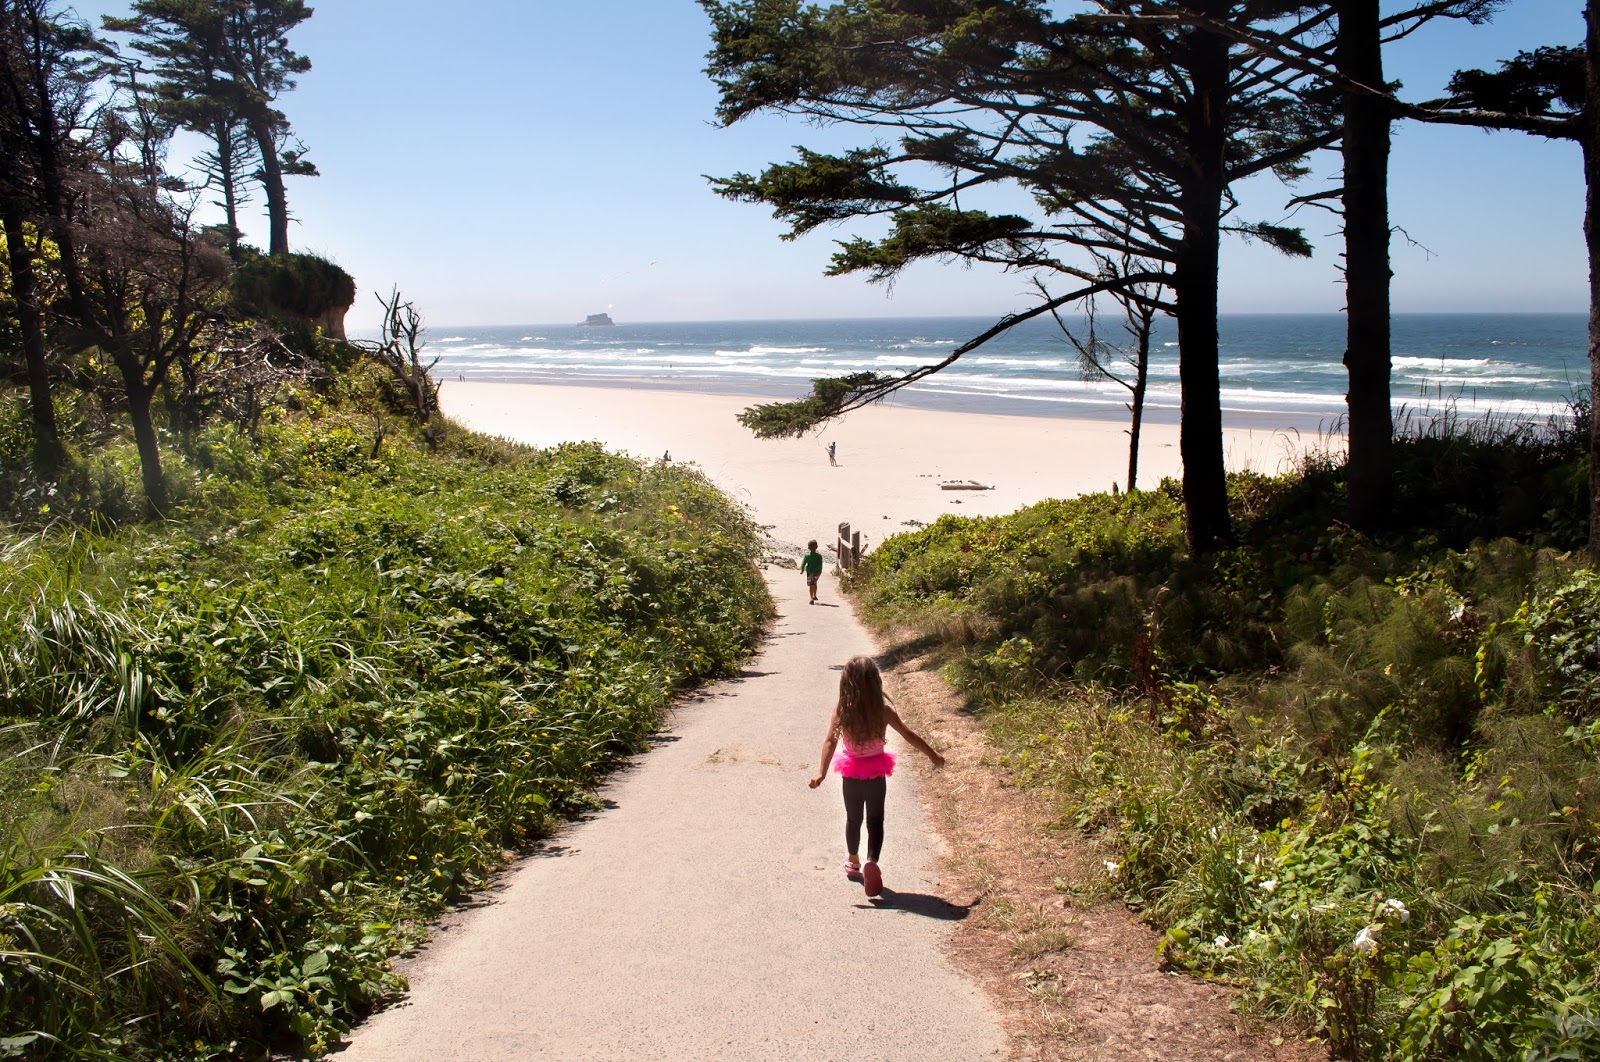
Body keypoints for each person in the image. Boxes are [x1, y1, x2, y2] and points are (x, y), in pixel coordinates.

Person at [808, 656, 944, 898]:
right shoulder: (883, 712)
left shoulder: (843, 712)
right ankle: (872, 860)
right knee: (875, 820)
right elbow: (909, 736)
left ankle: (853, 860)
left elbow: (830, 741)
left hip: (851, 773)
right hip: (876, 773)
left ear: (847, 684)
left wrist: (821, 773)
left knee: (853, 819)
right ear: (875, 683)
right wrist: (933, 755)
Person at [800, 539, 824, 604]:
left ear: (808, 547)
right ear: (817, 547)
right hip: (816, 572)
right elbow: (820, 565)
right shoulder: (819, 556)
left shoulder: (807, 555)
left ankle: (811, 598)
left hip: (809, 572)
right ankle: (814, 595)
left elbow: (803, 563)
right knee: (814, 583)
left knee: (811, 585)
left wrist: (802, 570)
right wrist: (819, 572)